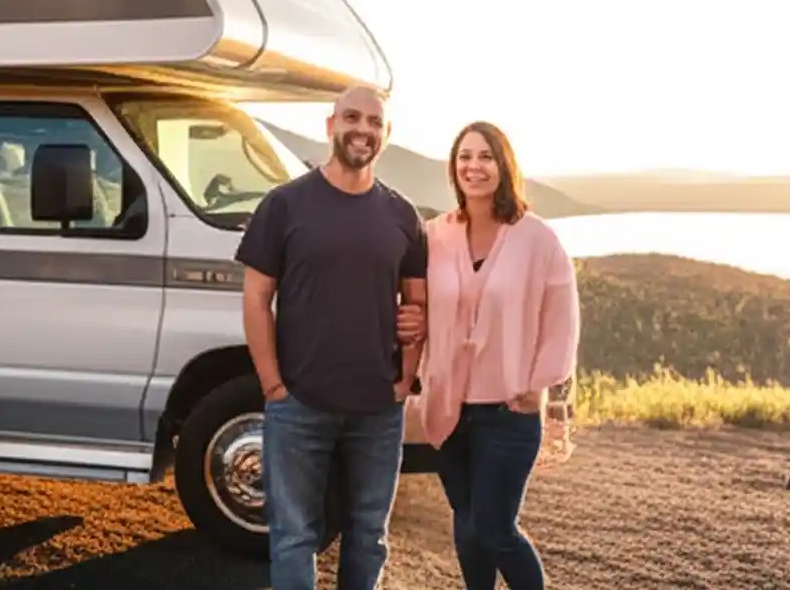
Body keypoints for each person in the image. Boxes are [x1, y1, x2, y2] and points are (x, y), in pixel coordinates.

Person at [235, 85, 428, 590]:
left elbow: (417, 304)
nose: (362, 130)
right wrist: (274, 385)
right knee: (295, 536)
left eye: (373, 122)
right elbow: (256, 297)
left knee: (369, 536)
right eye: (352, 118)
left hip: (378, 408)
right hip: (300, 404)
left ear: (385, 134)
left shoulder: (402, 215)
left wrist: (405, 379)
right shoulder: (284, 205)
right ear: (331, 126)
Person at [397, 120, 580, 590]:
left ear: (504, 166)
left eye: (484, 157)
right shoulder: (435, 235)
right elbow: (418, 301)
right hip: (450, 407)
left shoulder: (536, 239)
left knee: (496, 529)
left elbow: (561, 319)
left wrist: (536, 385)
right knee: (466, 522)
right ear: (453, 168)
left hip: (508, 411)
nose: (473, 167)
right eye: (464, 157)